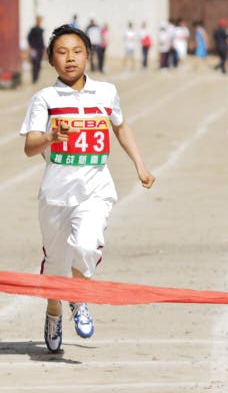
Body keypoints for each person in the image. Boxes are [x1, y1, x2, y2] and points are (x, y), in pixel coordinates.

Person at [19, 24, 155, 353]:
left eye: (77, 52)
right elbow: (29, 147)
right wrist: (51, 137)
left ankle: (79, 299)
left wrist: (139, 164)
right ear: (51, 60)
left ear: (88, 56)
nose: (70, 58)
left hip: (96, 187)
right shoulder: (45, 98)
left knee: (86, 244)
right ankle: (54, 311)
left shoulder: (106, 92)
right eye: (62, 53)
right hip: (56, 192)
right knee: (56, 264)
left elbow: (120, 127)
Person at [27, 15, 45, 84]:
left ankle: (37, 78)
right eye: (39, 20)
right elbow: (29, 38)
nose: (40, 21)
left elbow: (42, 40)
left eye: (40, 20)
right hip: (34, 50)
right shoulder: (33, 29)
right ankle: (34, 79)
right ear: (36, 20)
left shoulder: (41, 30)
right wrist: (31, 47)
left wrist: (43, 49)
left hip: (40, 49)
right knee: (35, 64)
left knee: (39, 64)